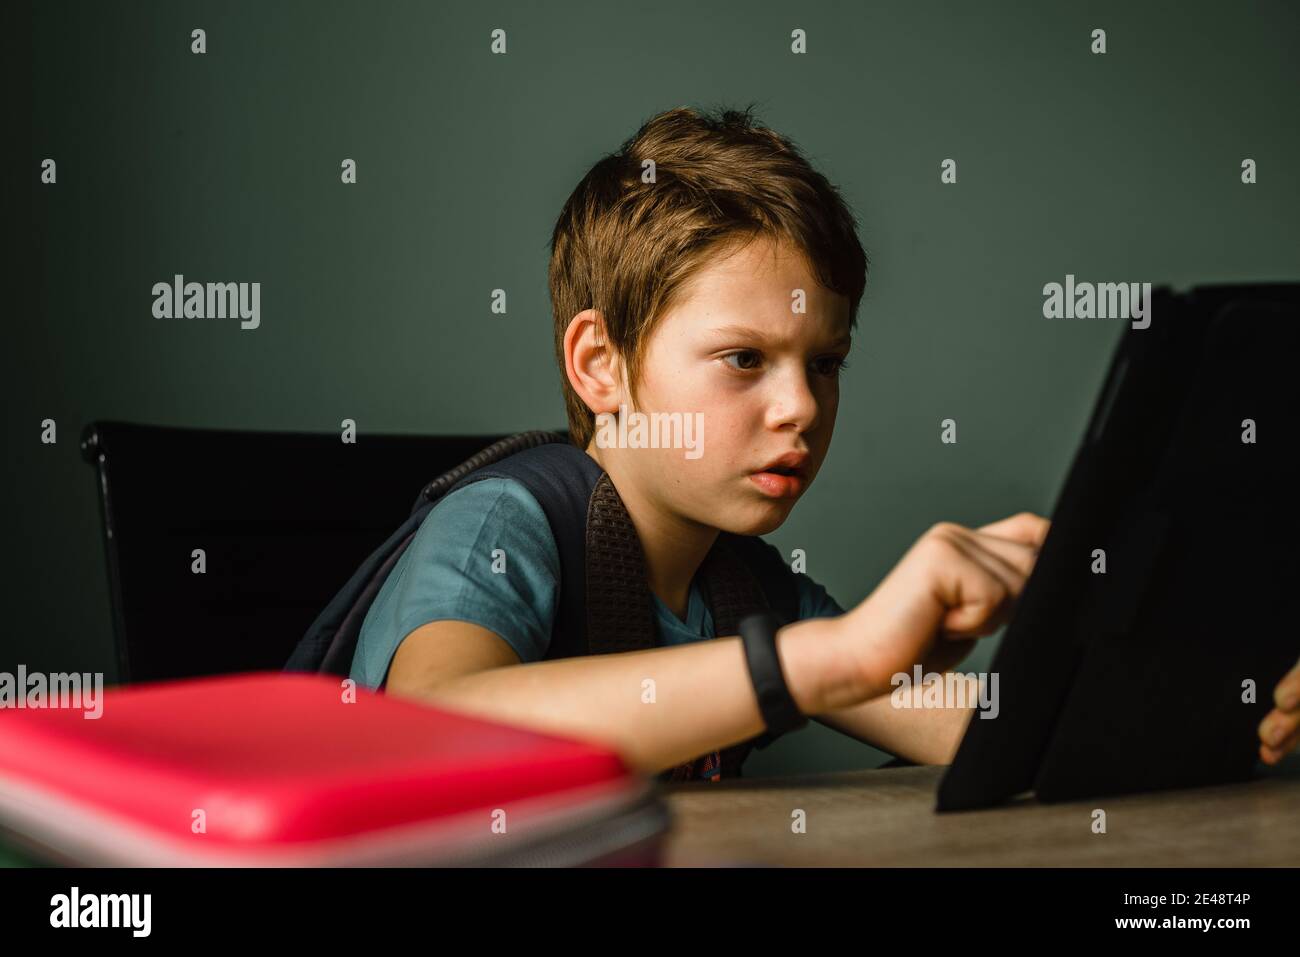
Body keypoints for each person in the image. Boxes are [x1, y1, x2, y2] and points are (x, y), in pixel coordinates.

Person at [350, 105, 1298, 778]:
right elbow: (434, 728)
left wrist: (1229, 707)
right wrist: (831, 658)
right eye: (743, 358)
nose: (801, 405)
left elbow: (985, 735)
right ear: (601, 364)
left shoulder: (749, 589)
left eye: (827, 362)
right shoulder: (501, 527)